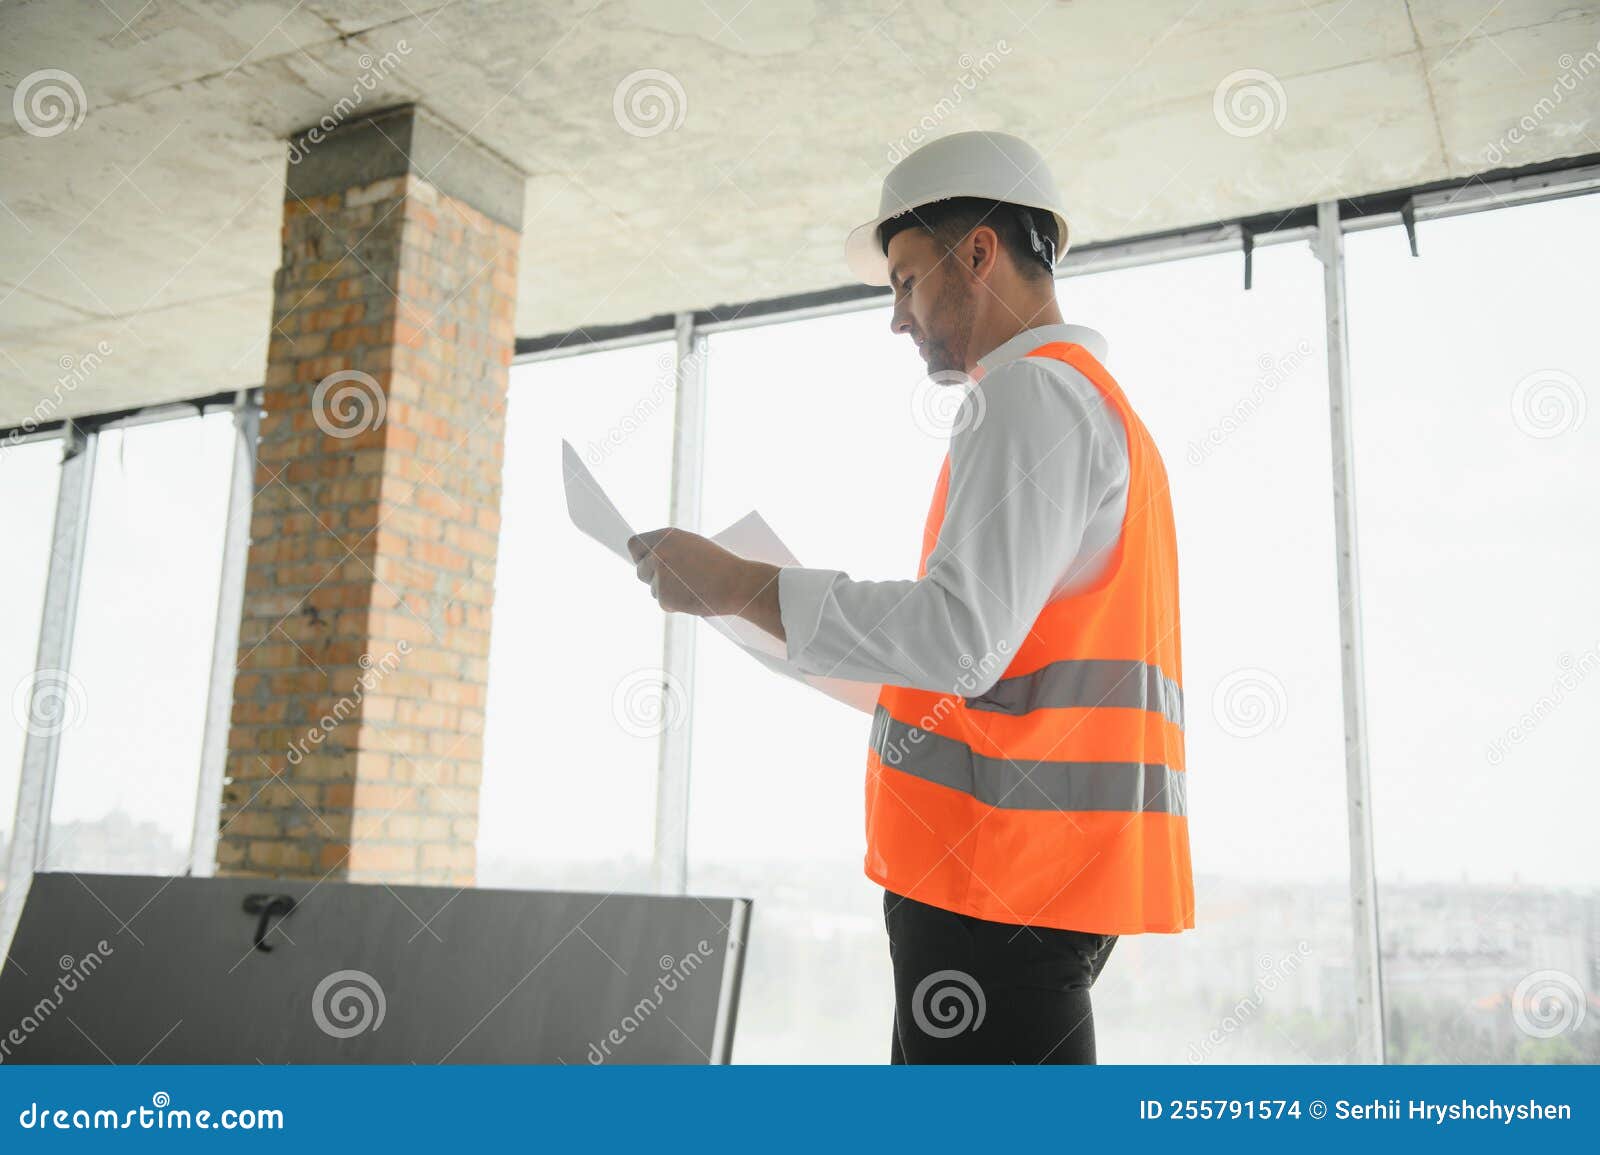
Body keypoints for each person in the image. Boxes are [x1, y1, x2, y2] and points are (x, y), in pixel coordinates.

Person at [627, 131, 1193, 1064]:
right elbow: (996, 662)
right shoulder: (1088, 404)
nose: (897, 317)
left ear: (977, 253)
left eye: (904, 279)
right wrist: (799, 633)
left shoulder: (1028, 398)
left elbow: (961, 639)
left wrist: (738, 584)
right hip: (1027, 885)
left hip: (994, 887)